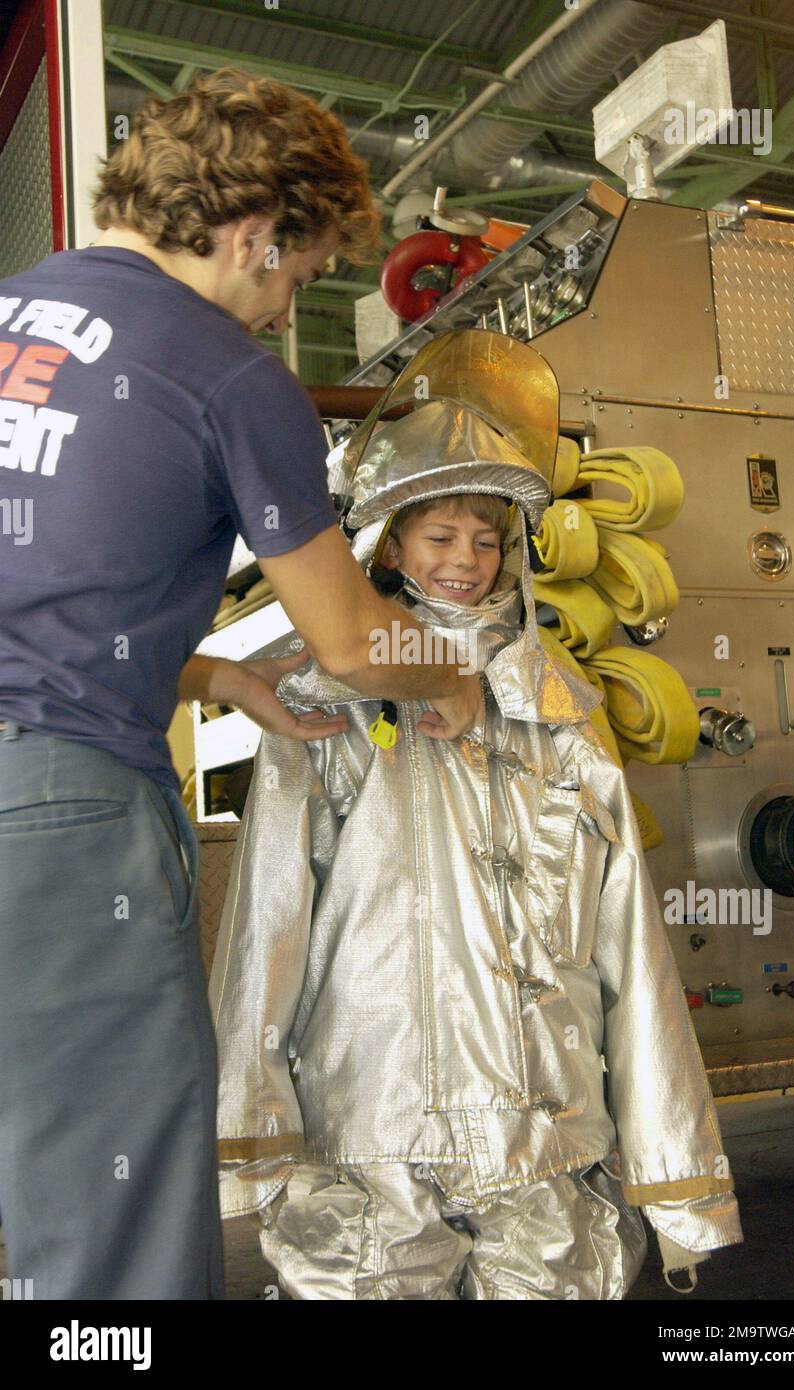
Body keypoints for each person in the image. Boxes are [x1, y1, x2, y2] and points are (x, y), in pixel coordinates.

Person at [0, 69, 481, 1300]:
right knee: (109, 1232)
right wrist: (470, 672)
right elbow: (357, 644)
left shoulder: (12, 314)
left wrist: (211, 670)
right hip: (53, 825)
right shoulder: (220, 369)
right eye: (300, 276)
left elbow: (49, 580)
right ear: (257, 230)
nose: (281, 314)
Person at [210, 331, 743, 1300]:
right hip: (374, 1125)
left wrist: (673, 1167)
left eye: (486, 536)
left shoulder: (561, 702)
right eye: (439, 535)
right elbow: (269, 912)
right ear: (391, 539)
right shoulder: (326, 690)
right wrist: (248, 1117)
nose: (465, 559)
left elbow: (627, 937)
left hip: (547, 1131)